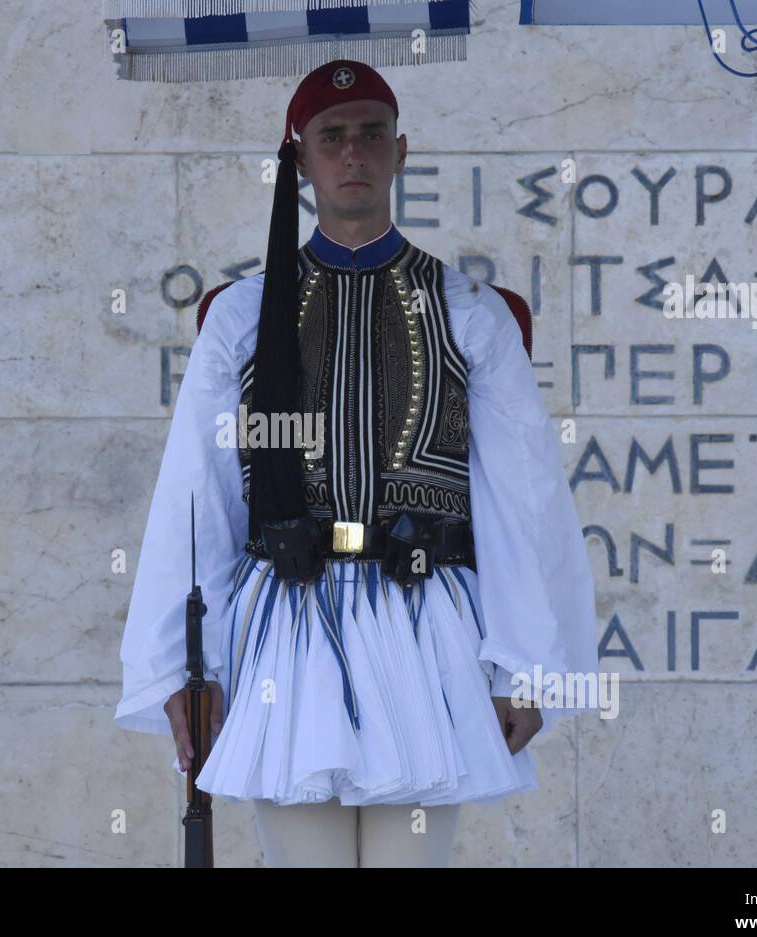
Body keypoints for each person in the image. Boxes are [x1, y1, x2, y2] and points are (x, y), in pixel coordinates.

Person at [115, 59, 600, 867]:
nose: (353, 154)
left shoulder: (472, 314)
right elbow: (197, 499)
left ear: (401, 151)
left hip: (425, 628)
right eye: (331, 137)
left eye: (371, 135)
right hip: (287, 630)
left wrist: (524, 666)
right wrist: (181, 668)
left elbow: (523, 499)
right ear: (300, 159)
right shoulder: (239, 317)